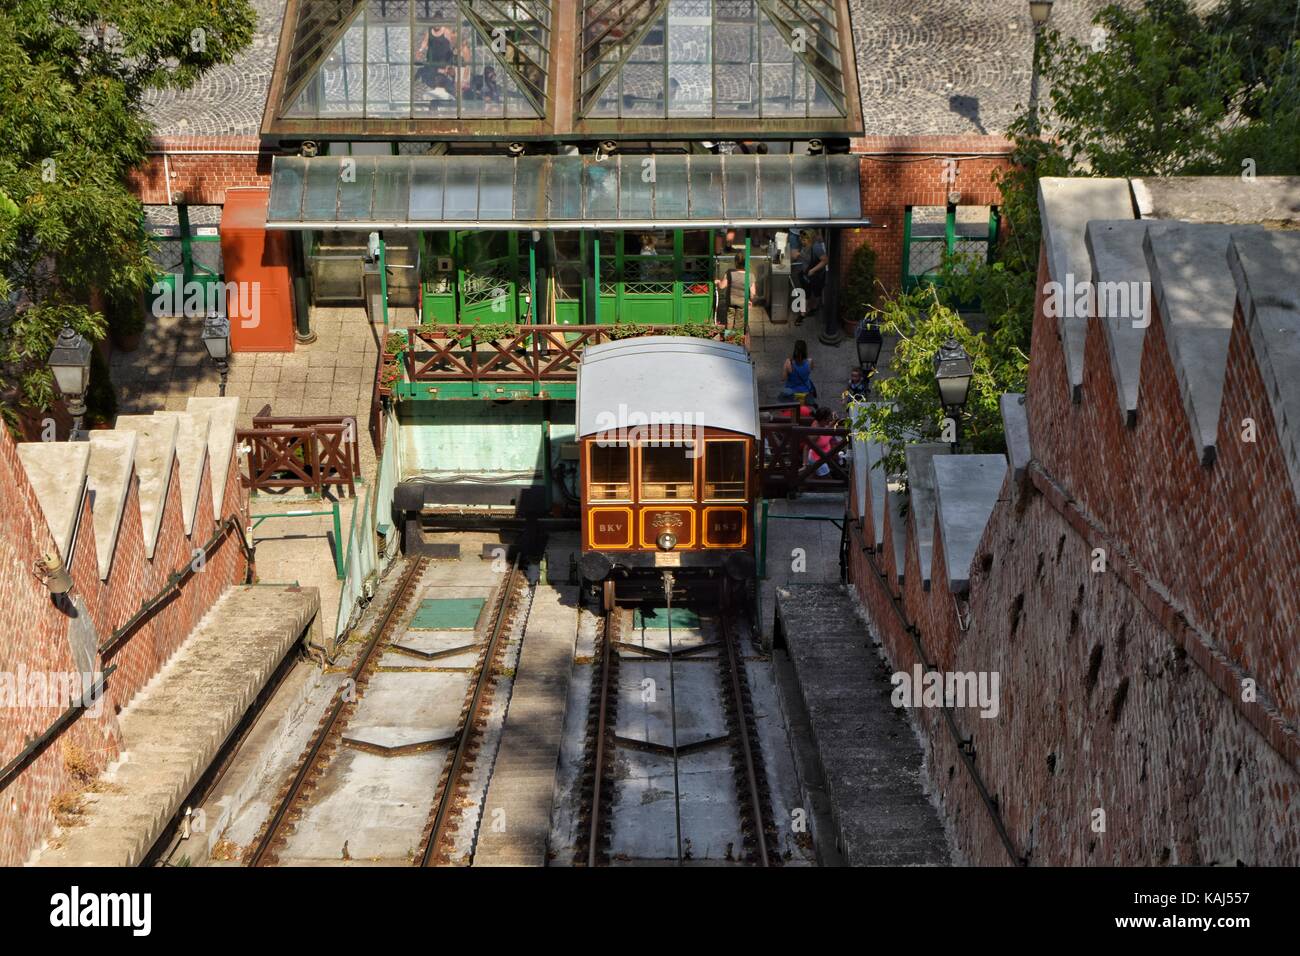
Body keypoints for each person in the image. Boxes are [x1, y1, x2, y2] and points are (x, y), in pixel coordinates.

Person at [803, 229, 829, 314]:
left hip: (817, 274)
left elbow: (825, 260)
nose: (802, 241)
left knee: (816, 291)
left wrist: (812, 270)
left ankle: (814, 307)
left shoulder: (816, 247)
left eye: (804, 239)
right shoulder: (809, 245)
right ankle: (809, 307)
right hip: (811, 272)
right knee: (810, 289)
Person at [808, 406, 836, 477]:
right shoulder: (816, 431)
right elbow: (806, 447)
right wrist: (805, 464)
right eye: (830, 417)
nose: (831, 419)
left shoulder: (822, 425)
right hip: (817, 458)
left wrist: (835, 420)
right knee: (827, 477)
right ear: (824, 419)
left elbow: (827, 427)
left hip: (824, 456)